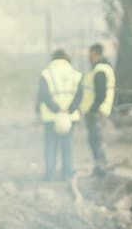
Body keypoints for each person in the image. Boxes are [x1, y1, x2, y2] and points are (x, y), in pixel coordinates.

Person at [36, 49, 83, 182]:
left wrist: (57, 110)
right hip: (70, 117)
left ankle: (50, 174)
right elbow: (80, 95)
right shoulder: (76, 74)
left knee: (51, 145)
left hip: (51, 117)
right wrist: (69, 110)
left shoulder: (46, 74)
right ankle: (67, 174)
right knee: (67, 146)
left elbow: (43, 95)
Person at [80, 43, 116, 178]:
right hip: (95, 111)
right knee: (94, 139)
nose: (89, 57)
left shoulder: (100, 70)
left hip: (96, 112)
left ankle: (102, 167)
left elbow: (101, 93)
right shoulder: (98, 69)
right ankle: (99, 166)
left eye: (90, 54)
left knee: (97, 140)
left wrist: (93, 109)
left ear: (96, 54)